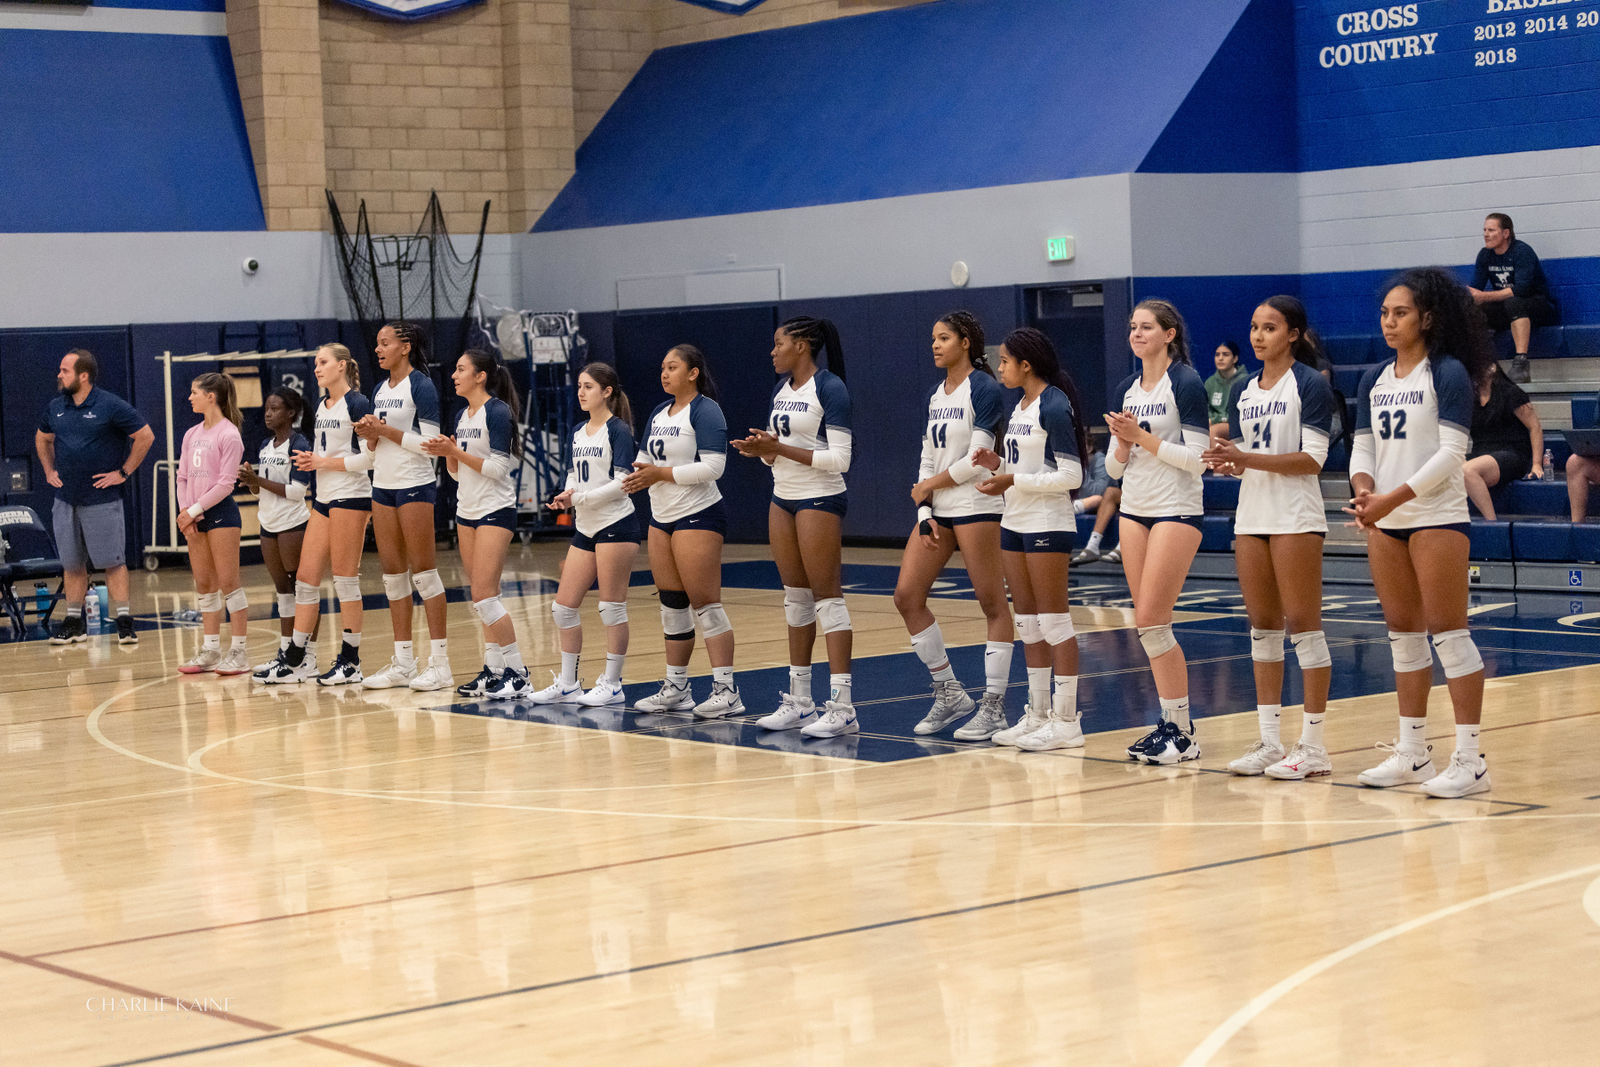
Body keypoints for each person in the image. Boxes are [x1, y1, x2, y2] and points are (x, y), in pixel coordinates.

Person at [1348, 266, 1492, 798]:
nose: (1389, 322)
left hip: (1436, 519)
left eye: (1401, 312)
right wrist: (1365, 490)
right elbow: (1363, 446)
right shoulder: (1374, 379)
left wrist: (1390, 499)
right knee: (1404, 641)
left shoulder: (1447, 372)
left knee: (1450, 637)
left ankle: (1472, 761)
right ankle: (1412, 753)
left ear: (1427, 317)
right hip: (1387, 522)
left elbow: (1452, 453)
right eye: (1385, 313)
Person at [1202, 297, 1337, 780]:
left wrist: (1248, 458)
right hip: (1251, 514)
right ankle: (1269, 740)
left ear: (1294, 334)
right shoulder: (1245, 390)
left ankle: (1315, 746)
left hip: (1297, 516)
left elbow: (1311, 460)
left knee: (1304, 625)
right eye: (1255, 327)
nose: (1259, 336)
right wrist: (1228, 459)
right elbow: (1250, 456)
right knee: (1262, 627)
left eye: (1270, 328)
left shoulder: (1309, 384)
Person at [732, 316, 859, 738]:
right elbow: (779, 451)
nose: (773, 351)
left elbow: (841, 460)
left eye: (779, 343)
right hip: (782, 495)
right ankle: (800, 700)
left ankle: (842, 706)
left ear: (802, 346)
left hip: (819, 496)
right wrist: (762, 452)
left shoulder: (830, 387)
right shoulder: (780, 389)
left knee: (827, 598)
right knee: (795, 599)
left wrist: (778, 448)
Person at [893, 310, 1014, 740]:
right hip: (939, 508)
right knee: (907, 596)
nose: (935, 345)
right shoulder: (936, 393)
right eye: (933, 338)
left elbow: (976, 459)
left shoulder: (983, 388)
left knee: (992, 604)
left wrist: (929, 485)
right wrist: (925, 509)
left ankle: (994, 707)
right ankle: (949, 692)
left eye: (943, 338)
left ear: (966, 342)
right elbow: (929, 454)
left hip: (978, 504)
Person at [971, 327, 1089, 751]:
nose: (999, 367)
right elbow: (1030, 466)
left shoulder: (1054, 404)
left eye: (1004, 361)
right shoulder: (1021, 406)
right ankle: (1037, 713)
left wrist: (1011, 477)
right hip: (1015, 521)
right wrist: (998, 462)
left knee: (1054, 621)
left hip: (1047, 523)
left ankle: (1066, 719)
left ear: (1026, 365)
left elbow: (1071, 476)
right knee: (1028, 623)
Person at [1106, 299, 1209, 765]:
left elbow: (1197, 460)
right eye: (1132, 327)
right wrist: (1125, 444)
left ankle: (1183, 731)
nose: (1137, 333)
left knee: (1152, 618)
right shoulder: (1128, 387)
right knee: (1148, 626)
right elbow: (1112, 466)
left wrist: (1143, 437)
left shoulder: (1184, 381)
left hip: (1176, 508)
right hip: (1134, 509)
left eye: (1146, 327)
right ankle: (1173, 725)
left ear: (1169, 334)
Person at [622, 345, 742, 717]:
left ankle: (726, 690)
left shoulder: (706, 410)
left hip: (698, 514)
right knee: (672, 605)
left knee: (705, 604)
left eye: (672, 367)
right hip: (662, 516)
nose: (664, 373)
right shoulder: (660, 412)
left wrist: (661, 474)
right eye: (662, 367)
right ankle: (677, 686)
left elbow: (713, 467)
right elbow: (647, 460)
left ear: (693, 373)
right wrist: (639, 474)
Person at [262, 343, 373, 686]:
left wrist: (322, 462)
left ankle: (351, 660)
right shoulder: (324, 407)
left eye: (322, 362)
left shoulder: (356, 402)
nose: (316, 368)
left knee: (344, 579)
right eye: (315, 363)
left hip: (351, 498)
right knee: (307, 580)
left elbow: (369, 459)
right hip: (324, 500)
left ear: (341, 366)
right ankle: (297, 658)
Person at [423, 350, 531, 699]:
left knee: (484, 596)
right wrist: (449, 456)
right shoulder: (463, 415)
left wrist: (455, 453)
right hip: (466, 511)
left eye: (460, 369)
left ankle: (518, 672)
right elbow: (458, 474)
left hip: (494, 511)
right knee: (482, 595)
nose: (454, 375)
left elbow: (500, 469)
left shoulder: (496, 412)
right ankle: (494, 669)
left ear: (481, 376)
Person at [535, 361, 640, 705]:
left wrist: (581, 498)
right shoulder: (579, 431)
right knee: (563, 608)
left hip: (616, 525)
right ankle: (568, 683)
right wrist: (568, 495)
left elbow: (623, 482)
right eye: (579, 386)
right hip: (585, 526)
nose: (581, 392)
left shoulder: (618, 430)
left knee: (611, 608)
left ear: (607, 392)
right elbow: (573, 476)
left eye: (588, 386)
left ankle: (612, 684)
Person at [355, 322, 453, 692]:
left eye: (385, 343)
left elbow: (430, 445)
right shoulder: (380, 390)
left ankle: (440, 665)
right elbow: (377, 447)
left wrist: (384, 431)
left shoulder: (422, 386)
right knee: (393, 577)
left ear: (405, 347)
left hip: (414, 485)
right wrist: (369, 434)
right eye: (377, 344)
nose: (378, 350)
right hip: (383, 486)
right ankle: (403, 663)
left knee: (424, 575)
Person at [35, 349, 154, 645]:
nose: (59, 375)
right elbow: (43, 438)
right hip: (65, 499)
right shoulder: (55, 407)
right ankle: (75, 623)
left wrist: (123, 473)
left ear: (83, 375)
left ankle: (125, 621)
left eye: (65, 370)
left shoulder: (109, 405)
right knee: (72, 564)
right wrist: (49, 470)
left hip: (102, 500)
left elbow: (145, 436)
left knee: (112, 561)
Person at [174, 373, 250, 675]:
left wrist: (193, 510)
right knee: (204, 584)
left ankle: (240, 652)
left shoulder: (229, 434)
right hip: (193, 518)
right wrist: (185, 513)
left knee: (229, 583)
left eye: (194, 392)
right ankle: (210, 649)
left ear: (211, 397)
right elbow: (182, 477)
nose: (190, 397)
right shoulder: (191, 434)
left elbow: (225, 485)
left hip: (220, 516)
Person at [239, 387, 315, 679]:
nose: (268, 414)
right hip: (268, 522)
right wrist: (251, 481)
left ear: (291, 413)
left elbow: (298, 491)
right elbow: (261, 490)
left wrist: (258, 479)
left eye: (274, 409)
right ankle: (287, 652)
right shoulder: (265, 445)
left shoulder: (299, 442)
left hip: (292, 524)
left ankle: (308, 655)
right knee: (283, 591)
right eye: (266, 409)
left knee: (302, 591)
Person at [1468, 212, 1556, 383]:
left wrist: (1484, 296)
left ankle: (1521, 363)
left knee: (1513, 302)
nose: (1486, 234)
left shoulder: (1522, 251)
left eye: (1491, 230)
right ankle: (1482, 364)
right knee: (1473, 310)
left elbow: (1522, 289)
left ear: (1506, 233)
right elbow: (1475, 288)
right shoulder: (1485, 255)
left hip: (1538, 305)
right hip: (1508, 307)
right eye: (1484, 230)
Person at [1463, 361, 1543, 521]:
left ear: (1492, 367)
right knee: (1443, 470)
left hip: (1512, 454)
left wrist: (1536, 464)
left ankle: (1491, 522)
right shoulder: (1470, 398)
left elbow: (1535, 428)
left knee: (1467, 470)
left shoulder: (1511, 393)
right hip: (1482, 454)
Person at [1070, 434, 1122, 565]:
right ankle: (1090, 547)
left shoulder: (1100, 460)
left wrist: (1080, 468)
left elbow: (1099, 491)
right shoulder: (1067, 461)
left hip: (1105, 501)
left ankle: (1070, 509)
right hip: (1089, 503)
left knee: (1102, 495)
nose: (1075, 452)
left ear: (1089, 448)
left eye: (1079, 448)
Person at [1205, 340, 1248, 435]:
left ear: (1235, 359)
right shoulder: (1210, 382)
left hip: (1238, 426)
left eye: (1225, 354)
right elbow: (1205, 410)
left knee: (1213, 432)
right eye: (1217, 355)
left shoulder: (1244, 381)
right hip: (1212, 424)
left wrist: (1216, 420)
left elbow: (1243, 413)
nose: (1220, 358)